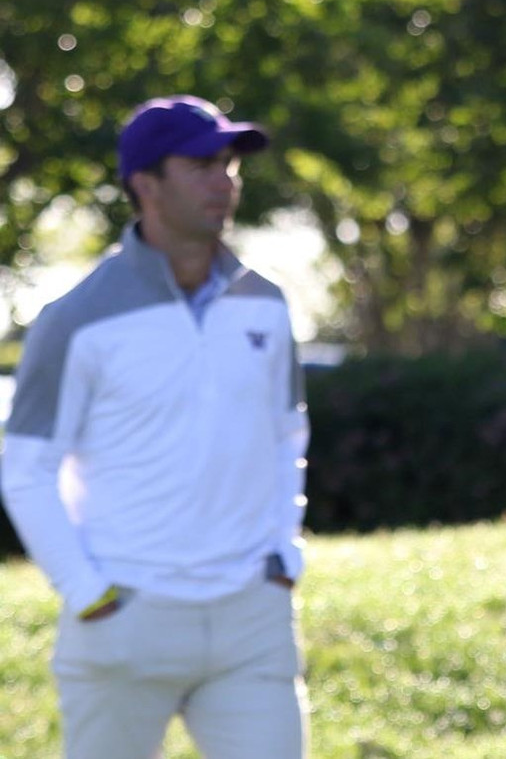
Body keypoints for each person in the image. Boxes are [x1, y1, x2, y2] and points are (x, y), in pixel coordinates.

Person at [2, 95, 310, 759]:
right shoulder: (74, 319)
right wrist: (87, 593)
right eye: (200, 164)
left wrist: (284, 552)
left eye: (229, 163)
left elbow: (289, 434)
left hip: (250, 622)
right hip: (124, 621)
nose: (223, 180)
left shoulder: (267, 303)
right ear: (146, 184)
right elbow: (24, 469)